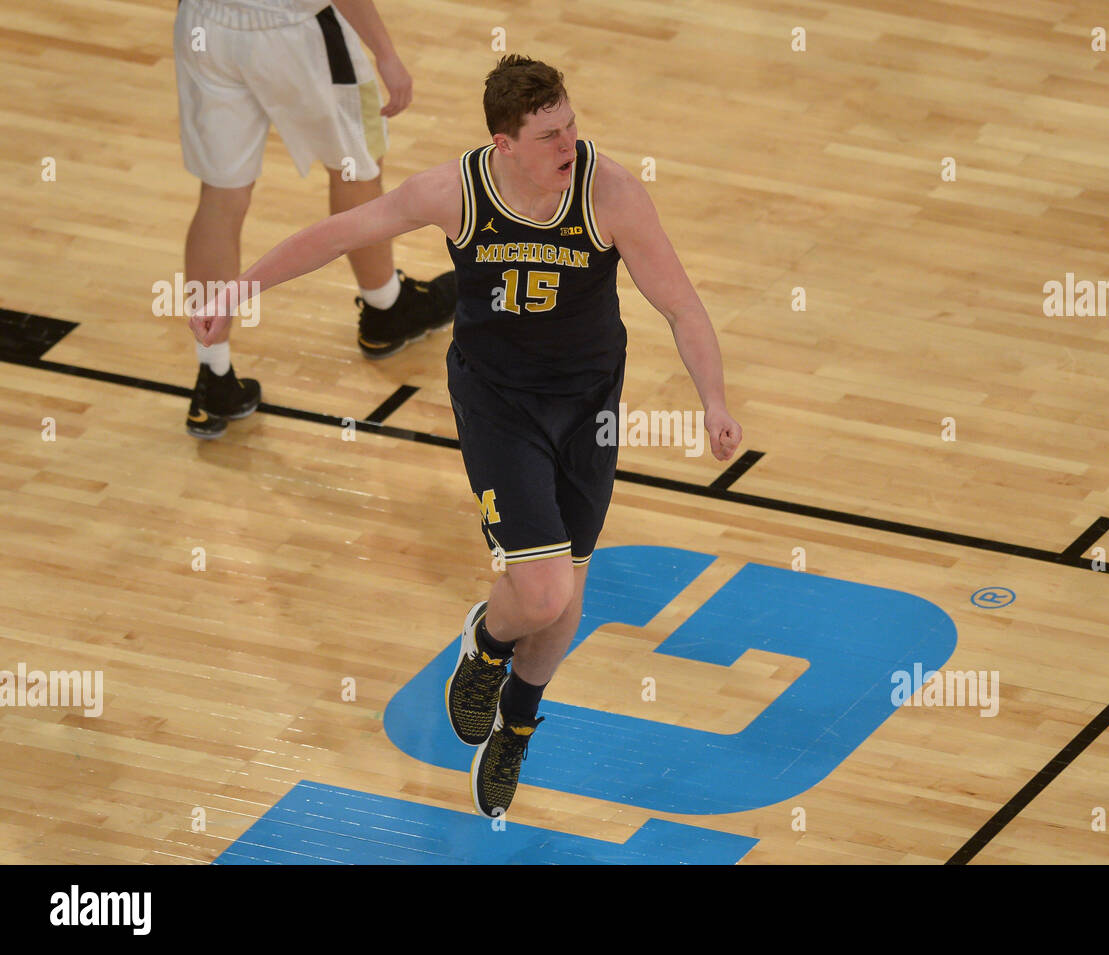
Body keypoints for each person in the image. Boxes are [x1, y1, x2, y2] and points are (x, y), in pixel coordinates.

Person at [191, 54, 743, 817]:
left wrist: (713, 399)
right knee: (541, 591)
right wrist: (242, 286)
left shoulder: (608, 192)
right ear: (503, 143)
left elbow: (682, 306)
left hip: (588, 405)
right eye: (550, 134)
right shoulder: (455, 192)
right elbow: (341, 231)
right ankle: (485, 642)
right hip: (497, 402)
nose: (569, 145)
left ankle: (515, 724)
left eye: (572, 125)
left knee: (566, 598)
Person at [174, 0, 455, 439]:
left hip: (205, 25)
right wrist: (386, 52)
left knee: (220, 197)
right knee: (355, 167)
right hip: (295, 28)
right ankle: (385, 308)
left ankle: (214, 376)